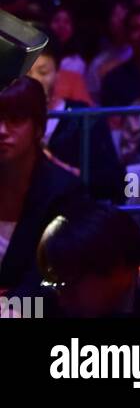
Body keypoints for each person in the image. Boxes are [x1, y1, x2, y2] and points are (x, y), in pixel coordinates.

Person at [13, 200, 140, 318]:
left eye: (67, 285)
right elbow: (22, 302)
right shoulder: (64, 290)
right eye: (55, 284)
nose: (60, 297)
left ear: (116, 267)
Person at [0, 78, 84, 293]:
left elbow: (54, 275)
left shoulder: (64, 191)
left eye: (15, 120)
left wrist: (15, 306)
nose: (2, 130)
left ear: (39, 127)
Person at [28, 40, 125, 201]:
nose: (34, 80)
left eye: (43, 72)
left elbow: (115, 183)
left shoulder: (86, 119)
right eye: (27, 72)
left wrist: (56, 165)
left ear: (58, 74)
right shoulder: (7, 122)